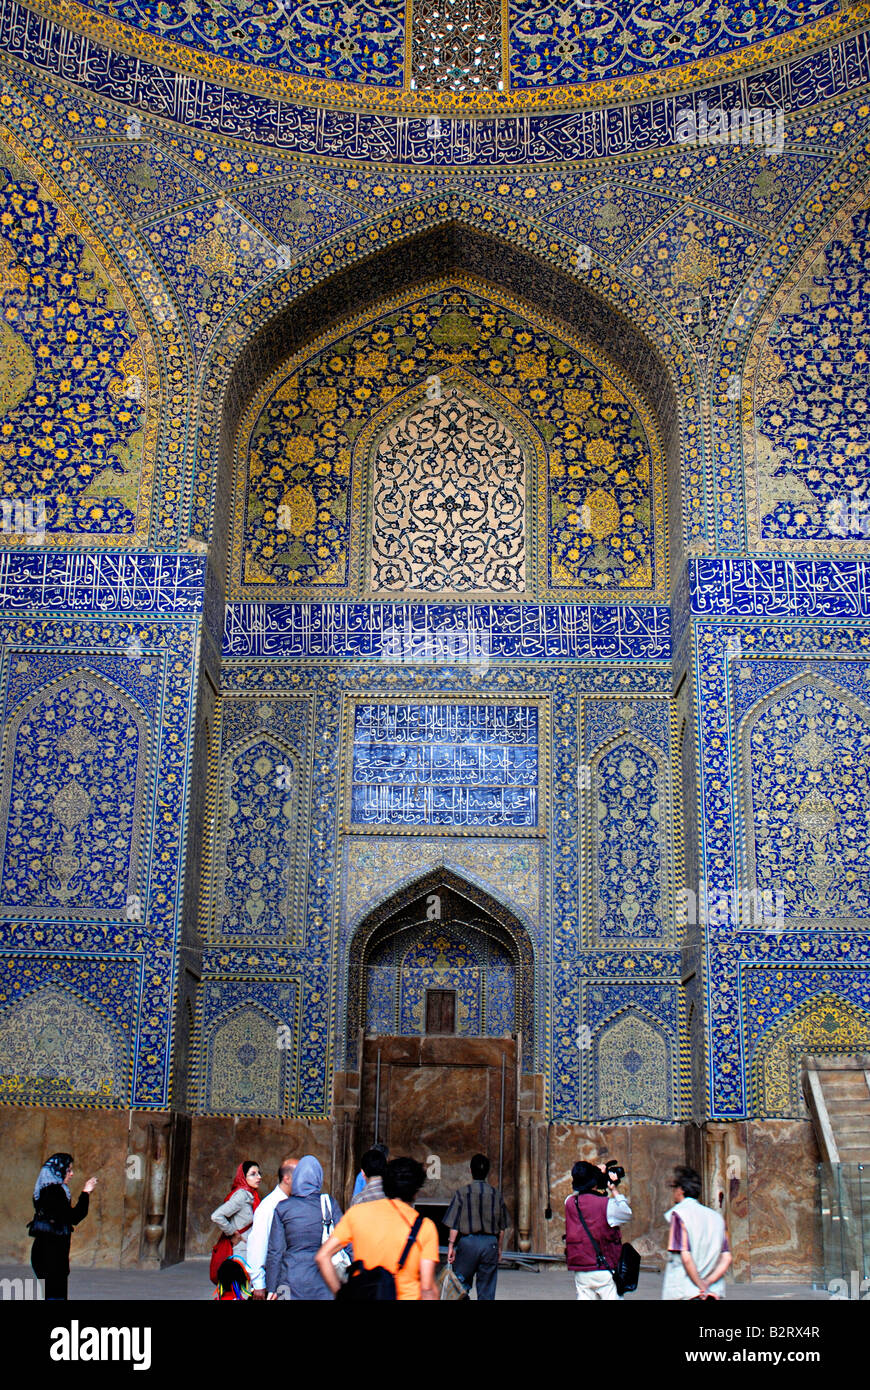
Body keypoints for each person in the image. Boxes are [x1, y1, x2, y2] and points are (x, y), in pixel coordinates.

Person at [316, 1157, 438, 1301]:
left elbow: (322, 1256)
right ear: (416, 1191)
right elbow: (427, 1288)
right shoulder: (425, 1227)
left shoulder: (357, 1213)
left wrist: (342, 1294)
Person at [264, 1154, 341, 1300]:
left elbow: (275, 1251)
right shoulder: (328, 1203)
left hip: (290, 1278)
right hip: (323, 1279)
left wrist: (272, 1287)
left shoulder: (282, 1207)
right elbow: (345, 1240)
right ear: (319, 1177)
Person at [29, 1152, 97, 1301]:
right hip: (51, 1256)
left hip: (47, 1253)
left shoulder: (46, 1190)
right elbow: (74, 1217)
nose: (71, 1174)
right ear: (57, 1171)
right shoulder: (55, 1192)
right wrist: (86, 1192)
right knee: (55, 1296)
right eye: (68, 1170)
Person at [444, 1153, 509, 1301]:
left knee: (458, 1287)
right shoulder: (496, 1194)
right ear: (488, 1172)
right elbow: (502, 1227)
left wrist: (451, 1246)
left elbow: (454, 1224)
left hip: (468, 1244)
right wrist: (499, 1248)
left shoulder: (462, 1193)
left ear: (470, 1171)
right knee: (486, 1290)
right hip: (490, 1244)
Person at [564, 1159, 632, 1300]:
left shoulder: (570, 1202)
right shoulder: (607, 1205)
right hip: (604, 1268)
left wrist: (594, 1174)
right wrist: (613, 1189)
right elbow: (626, 1213)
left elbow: (577, 1193)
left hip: (581, 1269)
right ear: (595, 1181)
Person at [662, 1166, 732, 1300]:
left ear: (681, 1189)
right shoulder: (717, 1218)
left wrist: (700, 1285)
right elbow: (726, 1258)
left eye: (674, 1188)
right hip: (713, 1291)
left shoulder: (679, 1215)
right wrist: (708, 1282)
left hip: (685, 1291)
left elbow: (686, 1257)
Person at [247, 1156, 298, 1299]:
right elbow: (258, 1243)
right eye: (300, 1175)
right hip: (273, 1281)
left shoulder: (292, 1202)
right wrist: (258, 1282)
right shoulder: (269, 1205)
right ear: (287, 1179)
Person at [210, 1160, 262, 1266]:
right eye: (253, 1174)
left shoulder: (251, 1195)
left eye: (259, 1173)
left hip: (251, 1247)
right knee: (240, 1281)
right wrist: (233, 1233)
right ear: (243, 1177)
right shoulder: (241, 1196)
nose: (259, 1177)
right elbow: (216, 1216)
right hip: (241, 1250)